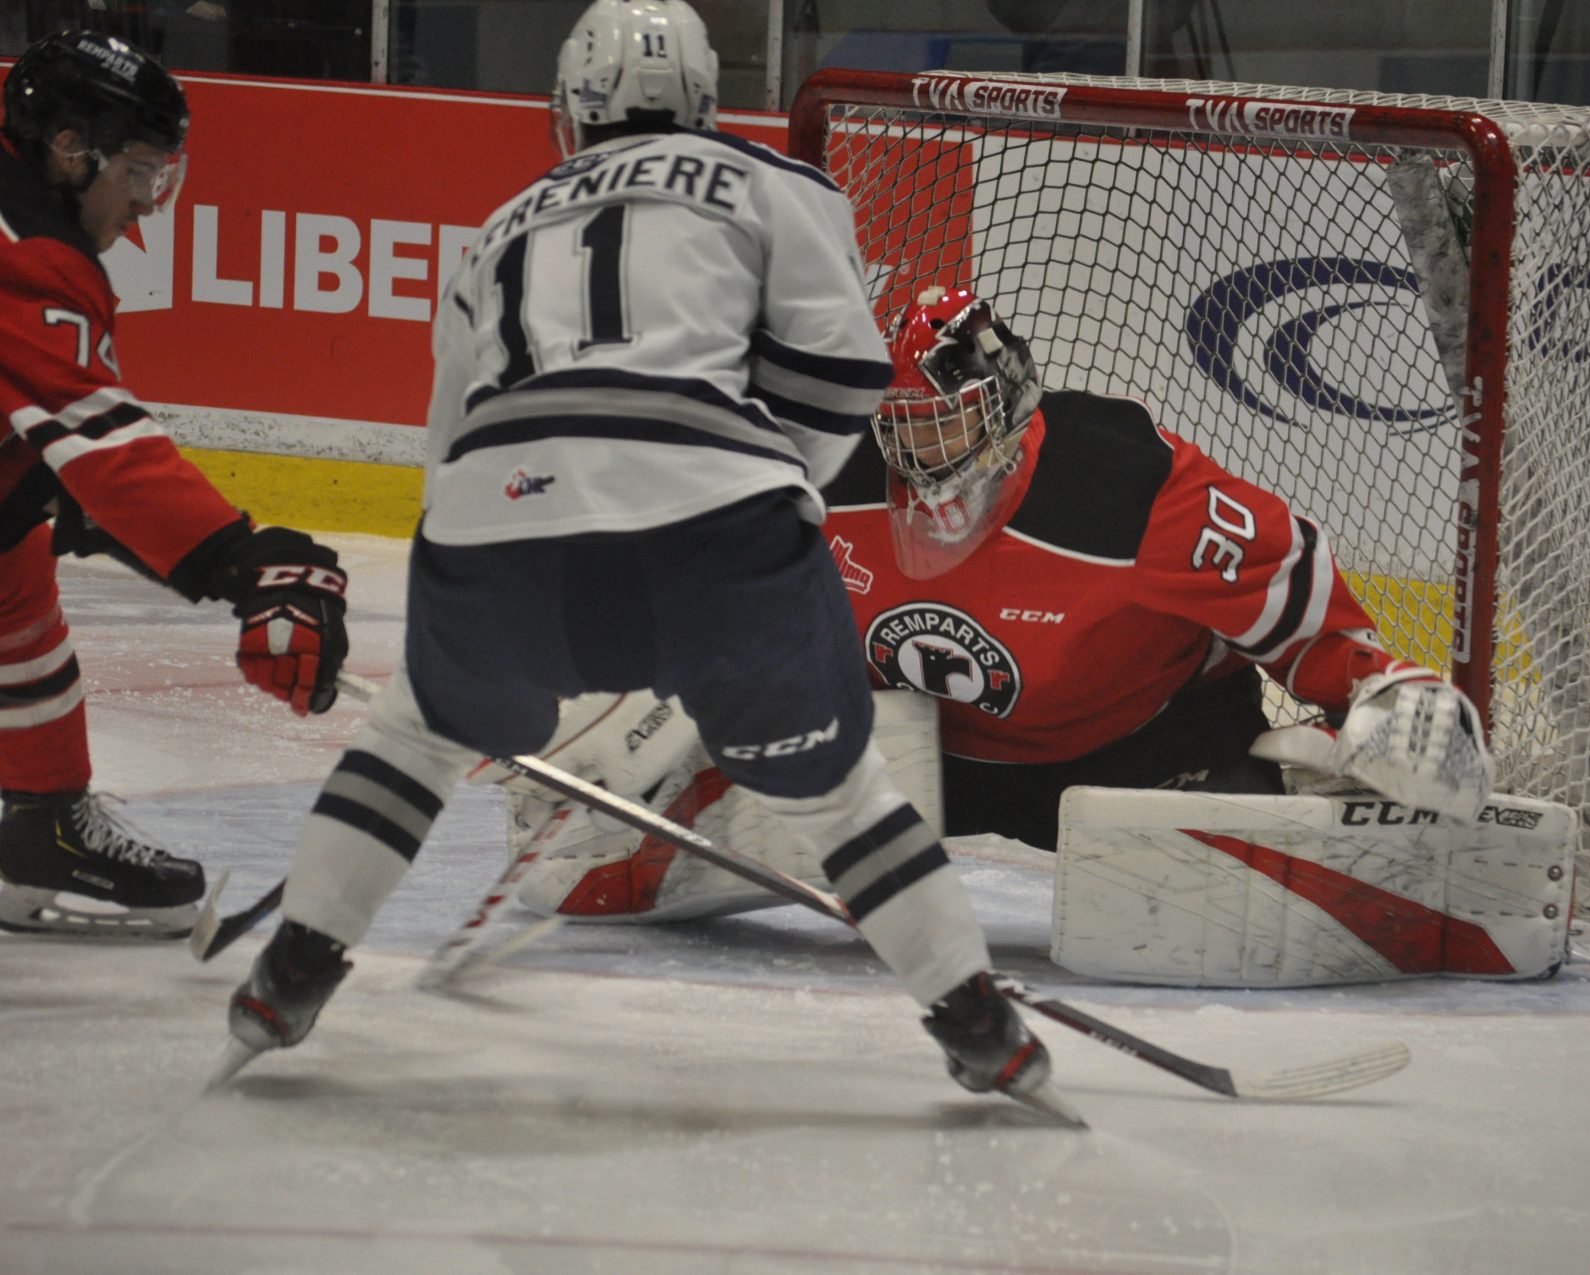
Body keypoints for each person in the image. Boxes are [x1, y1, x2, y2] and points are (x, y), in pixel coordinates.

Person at [220, 0, 1059, 1111]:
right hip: (721, 528)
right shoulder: (776, 184)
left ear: (567, 113)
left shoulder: (495, 229)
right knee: (837, 789)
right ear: (707, 103)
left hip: (495, 526)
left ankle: (290, 973)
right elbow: (844, 375)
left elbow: (451, 449)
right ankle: (979, 1025)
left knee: (415, 734)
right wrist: (758, 494)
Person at [520, 282, 1494, 923]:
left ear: (1003, 395)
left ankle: (1300, 804)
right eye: (897, 426)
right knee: (583, 882)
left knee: (1225, 910)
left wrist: (1379, 690)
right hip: (906, 750)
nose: (921, 452)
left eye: (944, 422)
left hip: (1135, 753)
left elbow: (1301, 606)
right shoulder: (817, 471)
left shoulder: (1121, 484)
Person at [0, 30, 349, 939]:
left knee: (11, 568)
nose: (147, 206)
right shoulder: (29, 254)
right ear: (72, 148)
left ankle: (44, 828)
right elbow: (101, 440)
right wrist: (248, 563)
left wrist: (48, 482)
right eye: (142, 171)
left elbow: (55, 429)